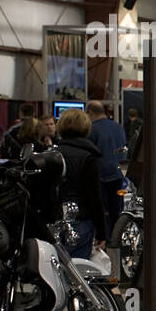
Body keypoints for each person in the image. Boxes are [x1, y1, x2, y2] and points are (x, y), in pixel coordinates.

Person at [54, 109, 106, 261]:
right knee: (77, 271)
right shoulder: (88, 157)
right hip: (81, 220)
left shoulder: (52, 154)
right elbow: (95, 196)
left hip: (55, 221)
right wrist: (102, 231)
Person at [86, 101, 127, 241]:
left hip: (101, 178)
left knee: (103, 213)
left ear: (90, 112)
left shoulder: (92, 129)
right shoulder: (118, 127)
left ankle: (106, 242)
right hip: (119, 177)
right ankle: (117, 242)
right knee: (117, 212)